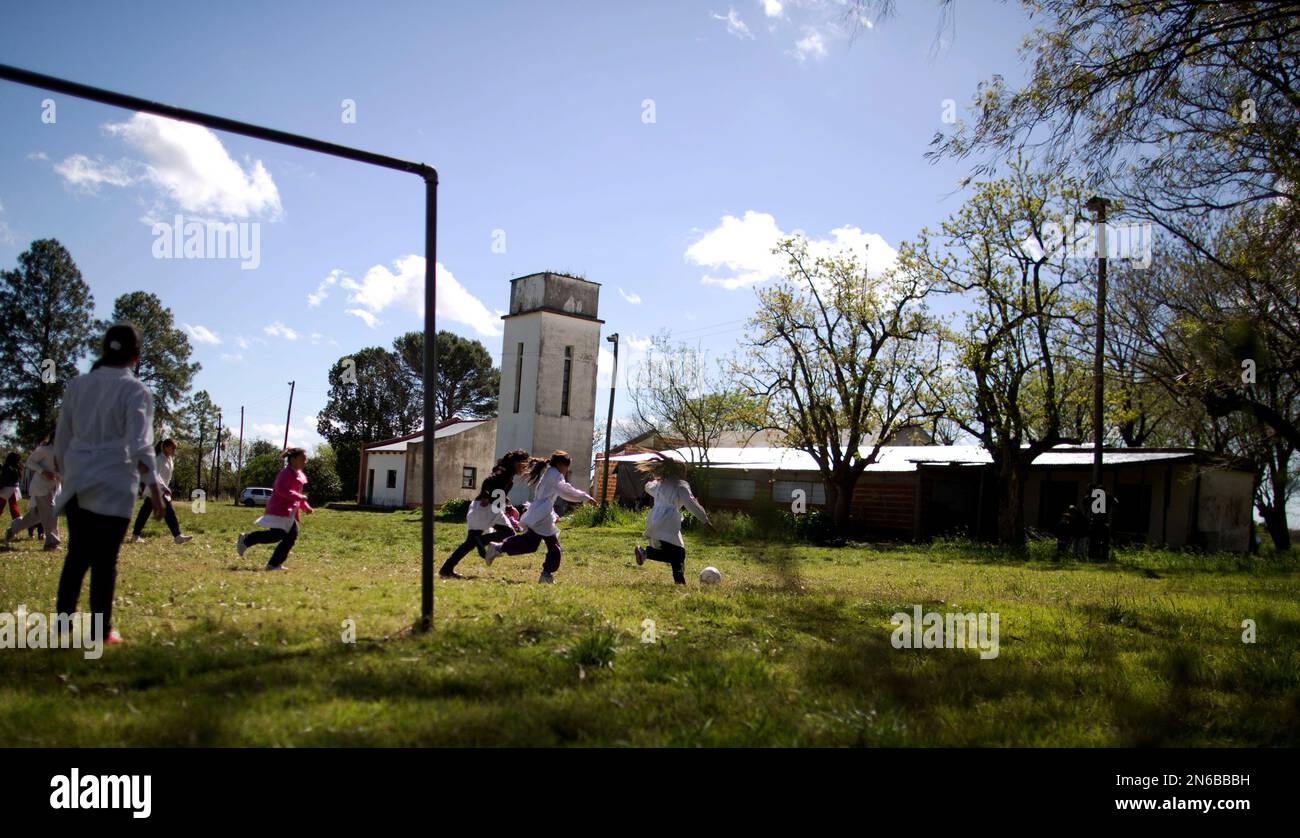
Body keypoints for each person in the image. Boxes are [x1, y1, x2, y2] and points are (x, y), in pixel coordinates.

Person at [53, 323, 165, 646]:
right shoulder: (135, 391)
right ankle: (100, 632)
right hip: (115, 485)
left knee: (76, 557)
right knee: (105, 562)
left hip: (79, 483)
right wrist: (154, 487)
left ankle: (63, 626)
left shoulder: (78, 385)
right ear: (136, 356)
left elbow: (63, 437)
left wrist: (66, 471)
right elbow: (140, 445)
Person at [484, 450, 595, 584]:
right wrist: (585, 497)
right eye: (567, 467)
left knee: (530, 544)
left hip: (541, 512)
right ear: (561, 465)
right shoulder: (555, 475)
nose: (566, 470)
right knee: (553, 547)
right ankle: (546, 574)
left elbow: (552, 495)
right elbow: (566, 490)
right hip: (542, 514)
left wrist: (553, 514)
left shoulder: (551, 473)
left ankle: (499, 548)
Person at [439, 449, 530, 579]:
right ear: (516, 462)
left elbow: (499, 491)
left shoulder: (505, 471)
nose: (525, 468)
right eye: (523, 464)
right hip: (486, 507)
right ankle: (480, 541)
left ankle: (446, 569)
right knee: (508, 533)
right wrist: (486, 496)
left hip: (485, 508)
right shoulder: (505, 472)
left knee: (469, 543)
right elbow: (488, 481)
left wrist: (508, 505)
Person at [633, 455, 712, 585]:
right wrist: (705, 520)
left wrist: (655, 479)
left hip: (654, 520)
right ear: (680, 472)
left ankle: (679, 582)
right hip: (667, 522)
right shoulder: (681, 485)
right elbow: (691, 504)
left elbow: (648, 487)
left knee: (676, 553)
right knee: (678, 554)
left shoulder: (661, 485)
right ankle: (646, 553)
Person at [236, 447, 312, 570]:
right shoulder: (285, 473)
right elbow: (281, 490)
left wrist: (305, 507)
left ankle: (273, 564)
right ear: (292, 460)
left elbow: (298, 496)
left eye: (306, 459)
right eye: (303, 459)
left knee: (290, 537)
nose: (305, 461)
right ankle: (247, 540)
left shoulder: (299, 475)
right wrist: (300, 497)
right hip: (280, 510)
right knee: (277, 536)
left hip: (289, 513)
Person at [129, 438, 192, 545]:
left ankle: (135, 535)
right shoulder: (159, 459)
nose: (174, 451)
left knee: (145, 511)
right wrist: (164, 487)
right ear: (166, 447)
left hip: (160, 490)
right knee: (169, 511)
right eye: (173, 448)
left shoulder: (170, 459)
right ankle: (177, 536)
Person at [4, 432, 61, 551]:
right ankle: (51, 544)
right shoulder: (44, 450)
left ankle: (13, 529)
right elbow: (29, 462)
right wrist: (43, 471)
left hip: (54, 488)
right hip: (41, 487)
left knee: (34, 517)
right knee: (52, 513)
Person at [0, 452, 21, 523]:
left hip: (7, 488)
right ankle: (18, 522)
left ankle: (17, 521)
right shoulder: (16, 466)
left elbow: (4, 479)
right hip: (15, 488)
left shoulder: (7, 466)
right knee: (13, 506)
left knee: (1, 504)